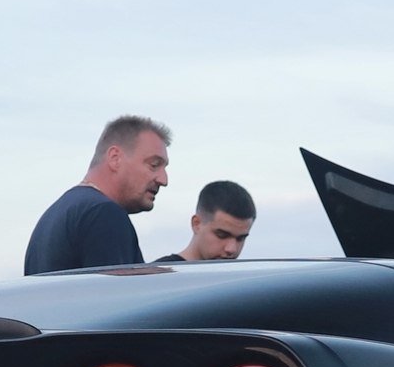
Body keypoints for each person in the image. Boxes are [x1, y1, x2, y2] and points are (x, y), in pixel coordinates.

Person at [22, 116, 169, 274]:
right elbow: (118, 296)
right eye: (154, 165)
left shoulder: (55, 216)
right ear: (115, 158)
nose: (163, 180)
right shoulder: (103, 214)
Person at [160, 180, 255, 263]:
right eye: (222, 235)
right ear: (196, 224)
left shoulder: (242, 281)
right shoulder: (158, 278)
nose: (231, 249)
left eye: (240, 239)